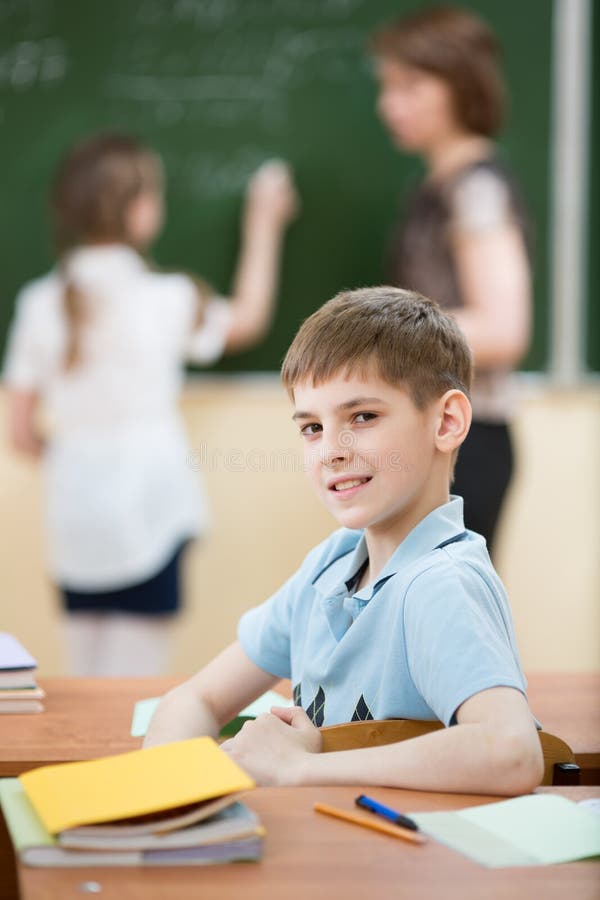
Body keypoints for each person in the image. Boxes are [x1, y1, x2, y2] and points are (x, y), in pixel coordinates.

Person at [144, 287, 543, 796]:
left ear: (446, 422)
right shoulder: (330, 566)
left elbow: (511, 753)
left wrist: (299, 771)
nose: (331, 450)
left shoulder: (440, 583)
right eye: (312, 426)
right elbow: (197, 699)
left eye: (363, 417)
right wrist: (161, 800)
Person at [3, 132, 297, 677]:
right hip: (151, 515)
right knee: (128, 691)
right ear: (138, 213)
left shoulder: (38, 303)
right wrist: (264, 222)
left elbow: (21, 434)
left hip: (75, 525)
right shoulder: (168, 299)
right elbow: (250, 318)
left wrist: (78, 459)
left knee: (85, 685)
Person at [370, 6, 532, 555]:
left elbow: (503, 330)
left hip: (469, 437)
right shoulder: (434, 186)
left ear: (460, 83)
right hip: (440, 433)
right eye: (387, 87)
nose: (389, 105)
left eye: (410, 85)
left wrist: (380, 334)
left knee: (447, 618)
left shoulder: (475, 190)